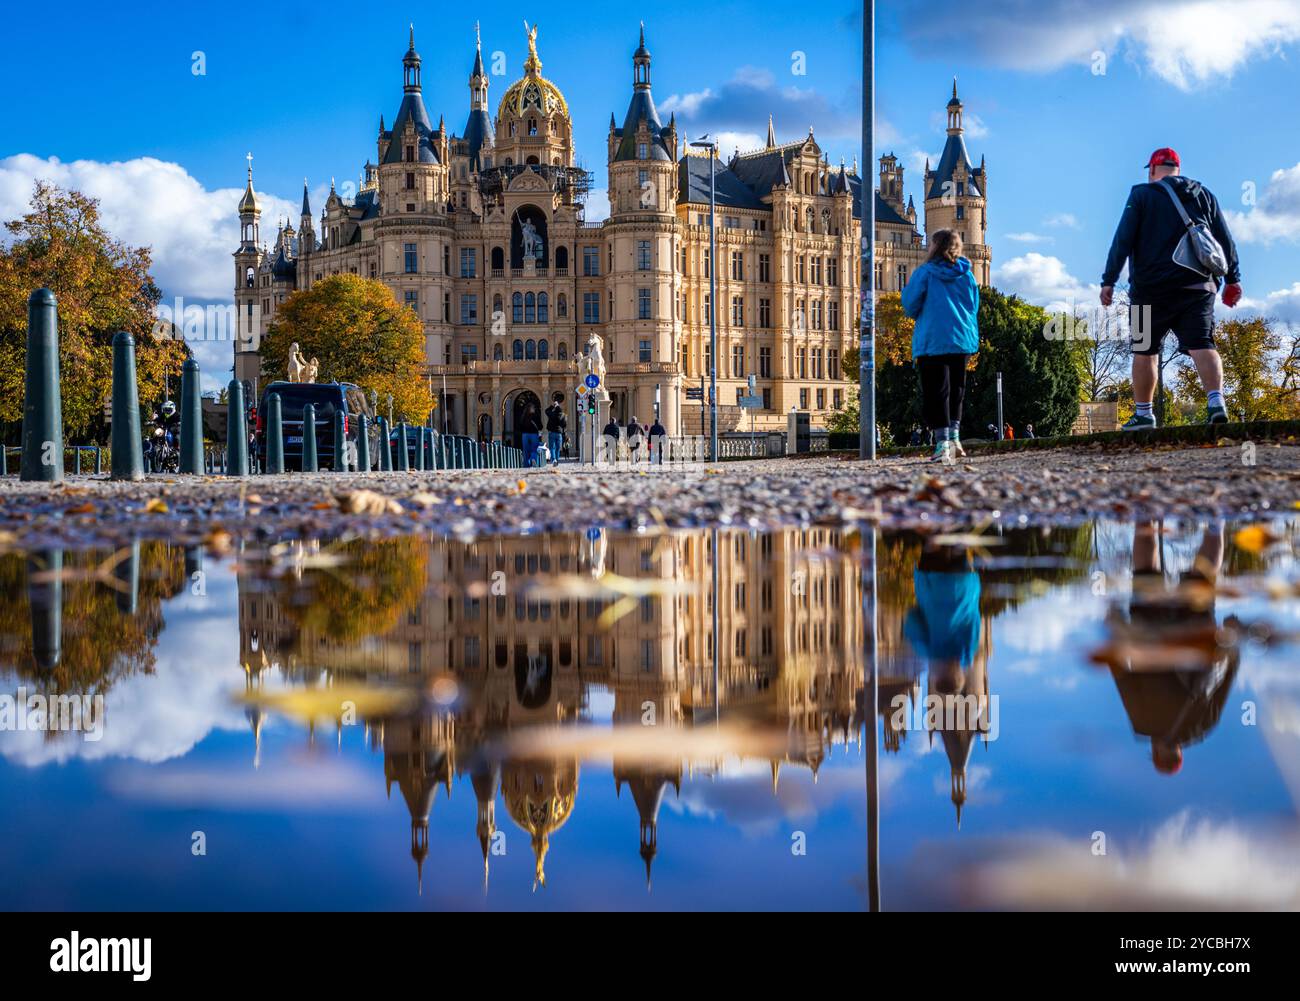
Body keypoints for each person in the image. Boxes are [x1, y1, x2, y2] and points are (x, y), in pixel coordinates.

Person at [1101, 147, 1242, 429]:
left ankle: (1144, 414)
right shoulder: (1204, 195)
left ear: (1152, 170)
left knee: (1144, 349)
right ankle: (1216, 403)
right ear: (1178, 168)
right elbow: (1225, 240)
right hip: (1198, 286)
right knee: (1203, 343)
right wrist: (1233, 279)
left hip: (1147, 290)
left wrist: (1109, 280)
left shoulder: (1141, 195)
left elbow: (1123, 240)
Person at [901, 229, 980, 462]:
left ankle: (942, 443)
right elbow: (973, 306)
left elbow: (909, 304)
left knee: (937, 393)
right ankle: (955, 441)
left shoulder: (925, 273)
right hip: (961, 338)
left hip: (933, 340)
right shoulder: (968, 275)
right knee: (957, 390)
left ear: (935, 247)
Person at [544, 392, 566, 467]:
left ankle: (554, 460)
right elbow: (564, 425)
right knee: (557, 448)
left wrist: (552, 406)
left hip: (552, 432)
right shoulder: (563, 415)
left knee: (552, 448)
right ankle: (557, 459)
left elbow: (546, 411)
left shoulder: (552, 414)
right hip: (559, 433)